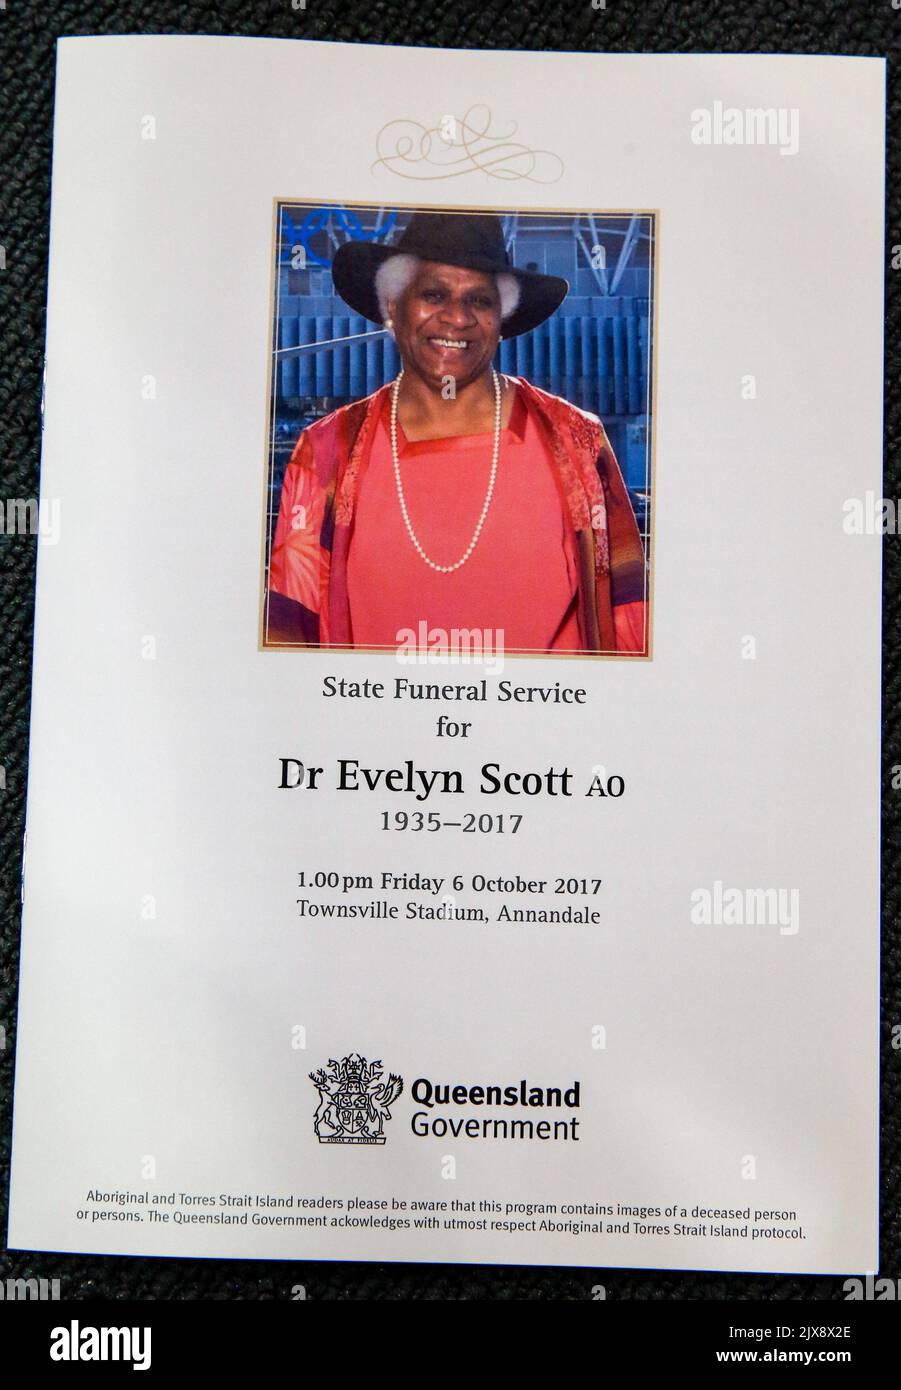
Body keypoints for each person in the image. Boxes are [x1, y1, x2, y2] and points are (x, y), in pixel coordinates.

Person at [266, 211, 648, 655]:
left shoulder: (577, 441)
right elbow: (291, 638)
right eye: (434, 294)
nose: (457, 317)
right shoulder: (325, 453)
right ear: (393, 306)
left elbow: (627, 620)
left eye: (480, 301)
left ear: (500, 318)